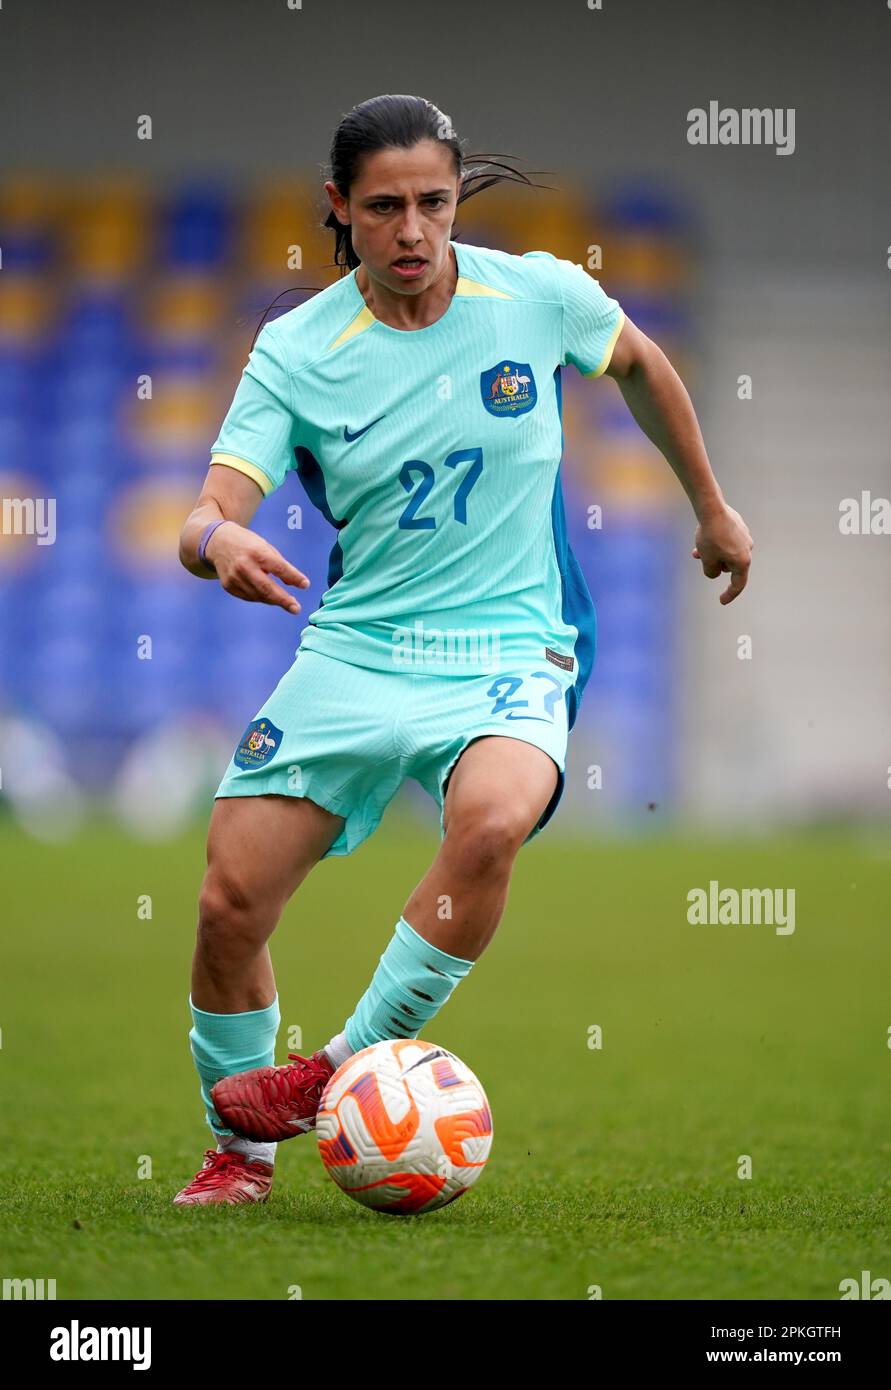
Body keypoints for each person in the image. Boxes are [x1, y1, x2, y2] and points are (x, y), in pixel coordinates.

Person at [173, 94, 753, 1205]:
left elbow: (640, 364)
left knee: (488, 820)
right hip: (358, 649)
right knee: (224, 906)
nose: (410, 230)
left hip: (511, 640)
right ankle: (238, 1156)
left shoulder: (536, 295)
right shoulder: (297, 350)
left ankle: (338, 1069)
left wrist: (712, 508)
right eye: (382, 207)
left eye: (432, 203)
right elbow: (208, 508)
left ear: (456, 200)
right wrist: (221, 539)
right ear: (339, 210)